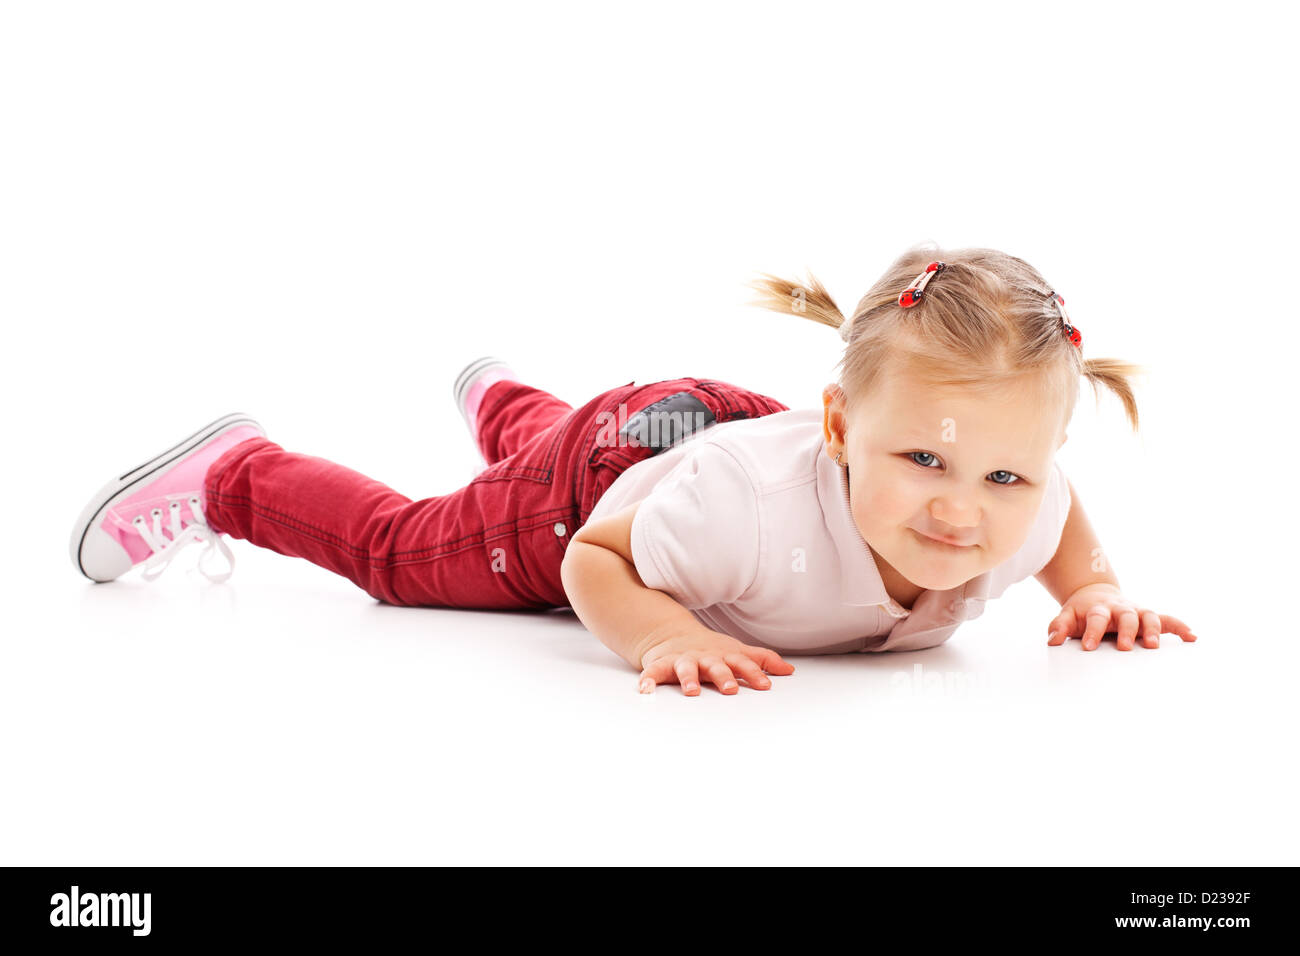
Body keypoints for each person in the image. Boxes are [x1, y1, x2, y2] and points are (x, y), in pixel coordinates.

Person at [69, 244, 1199, 696]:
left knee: (562, 448)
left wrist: (1092, 588)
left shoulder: (1016, 488)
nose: (965, 510)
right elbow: (600, 552)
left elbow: (1059, 517)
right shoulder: (743, 519)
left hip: (677, 439)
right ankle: (236, 472)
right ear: (847, 427)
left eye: (1005, 477)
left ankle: (507, 405)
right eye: (923, 459)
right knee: (409, 551)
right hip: (608, 490)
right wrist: (661, 631)